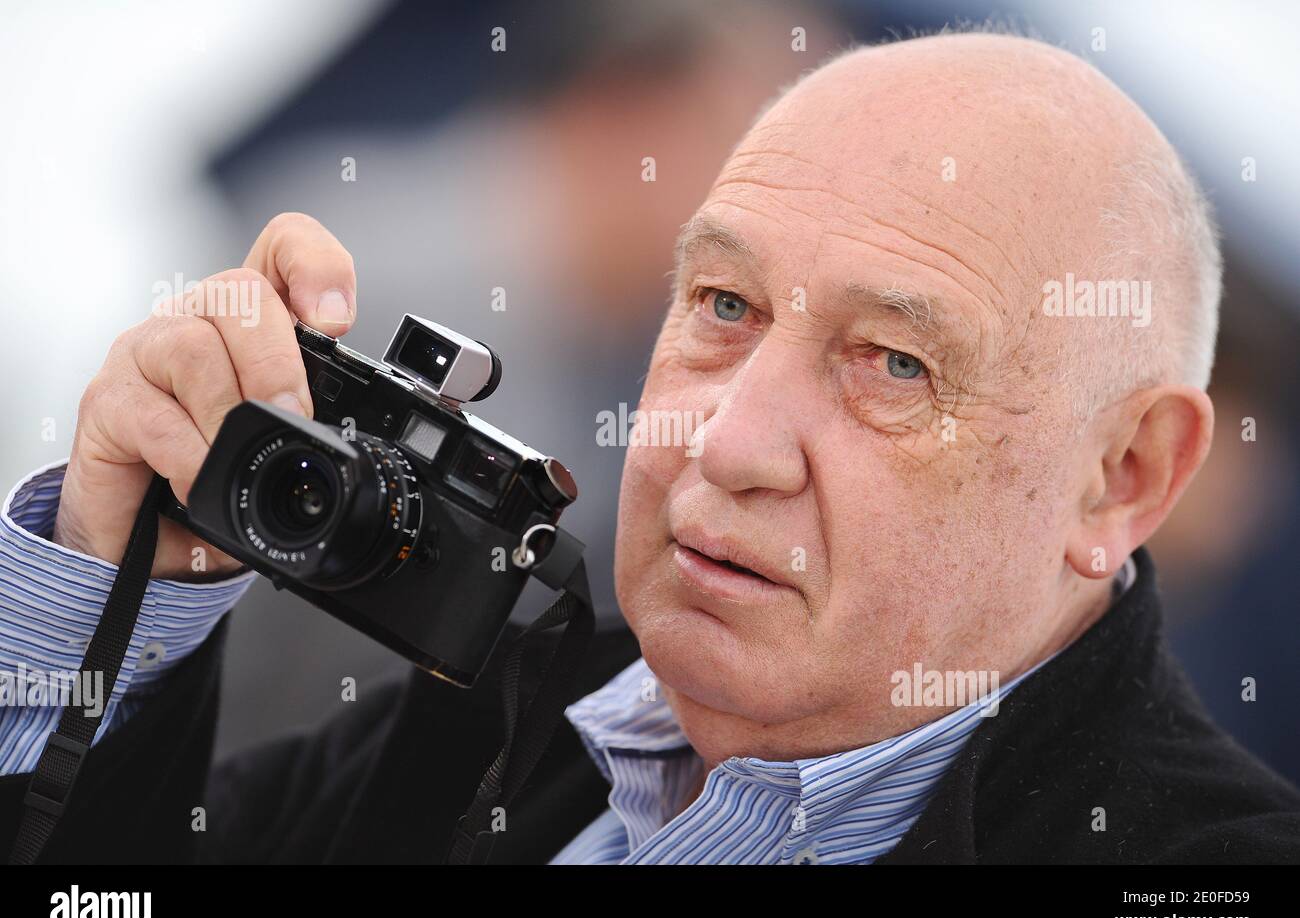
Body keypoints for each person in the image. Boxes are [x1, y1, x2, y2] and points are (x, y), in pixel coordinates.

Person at [2, 33, 1297, 864]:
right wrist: (110, 588)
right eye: (723, 308)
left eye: (895, 364)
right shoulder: (467, 739)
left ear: (1122, 477)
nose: (724, 441)